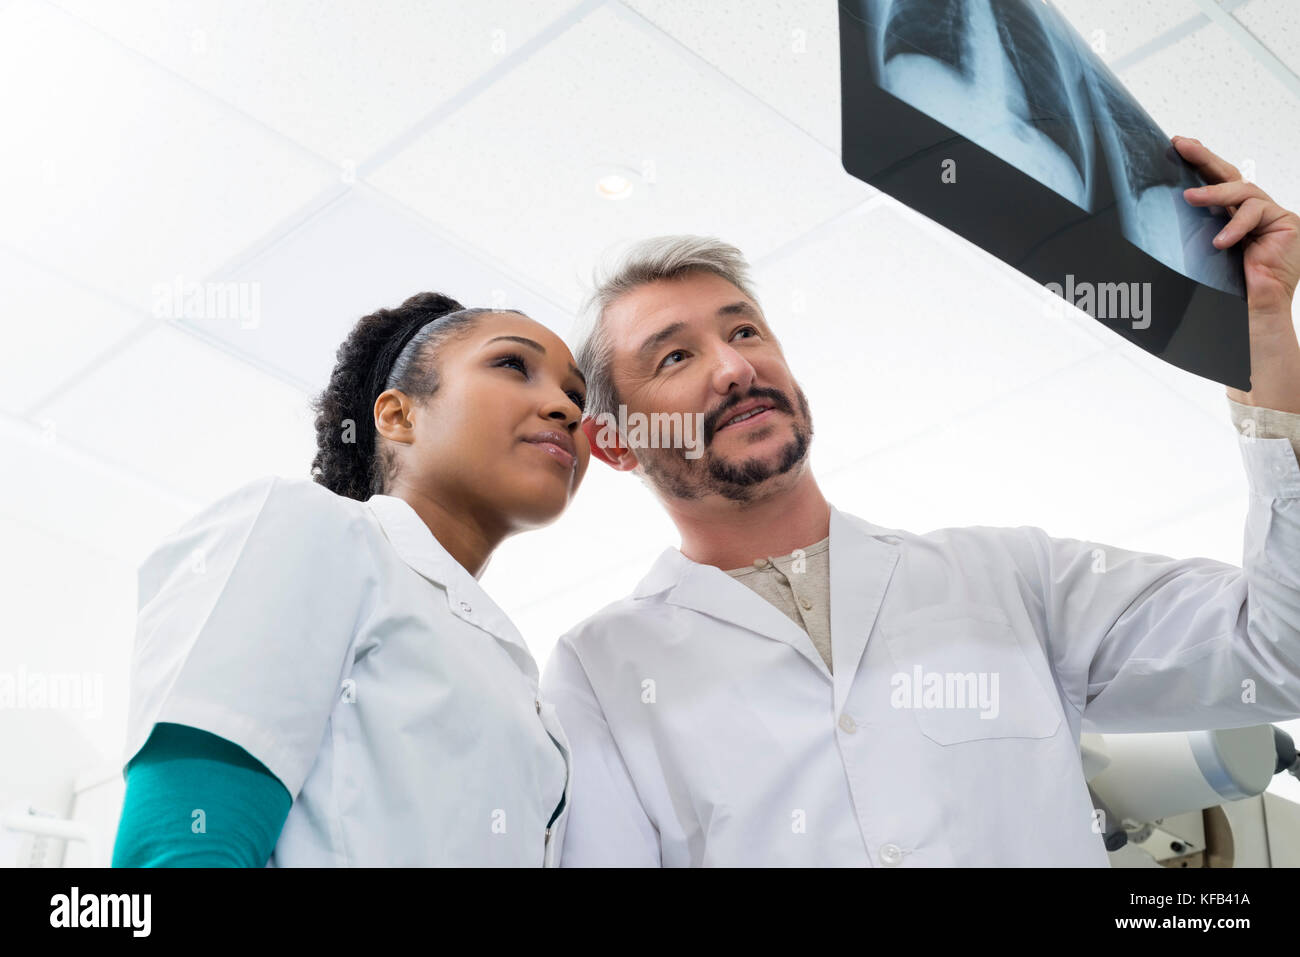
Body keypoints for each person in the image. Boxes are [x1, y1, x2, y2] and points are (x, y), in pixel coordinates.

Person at [541, 136, 1300, 866]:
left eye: (745, 329)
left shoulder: (1010, 578)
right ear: (613, 442)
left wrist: (1262, 330)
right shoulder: (599, 669)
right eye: (676, 355)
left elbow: (1280, 654)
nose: (736, 366)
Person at [112, 292, 590, 866]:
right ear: (398, 415)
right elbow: (185, 841)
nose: (564, 409)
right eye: (513, 365)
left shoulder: (522, 690)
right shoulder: (311, 527)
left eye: (576, 396)